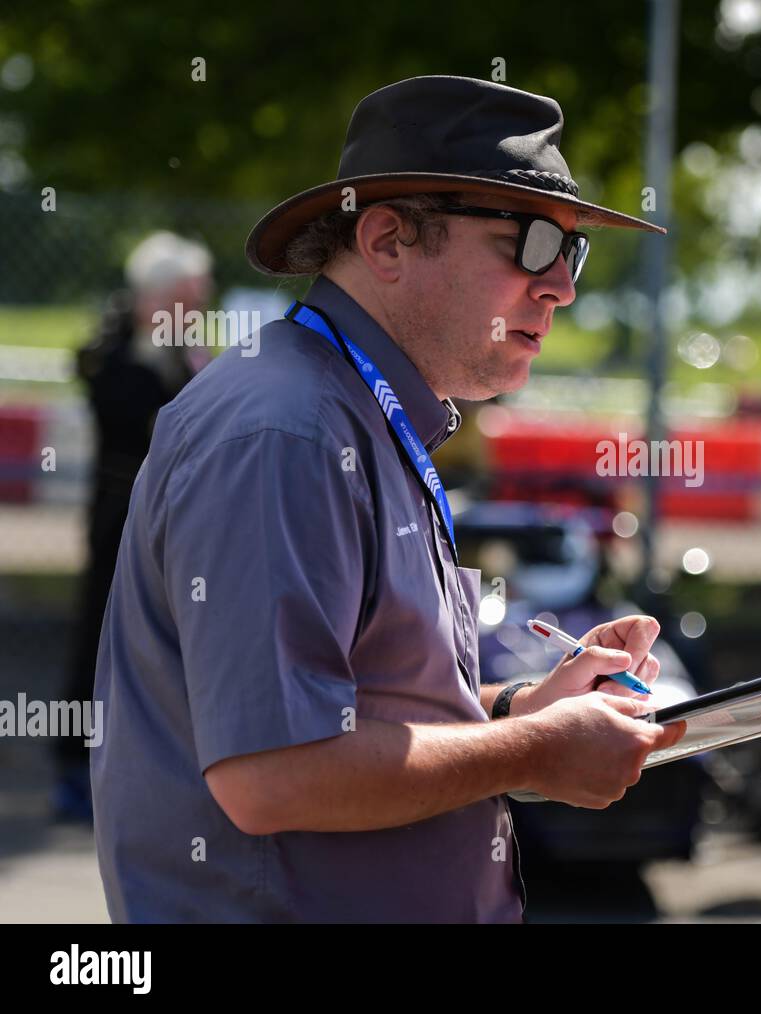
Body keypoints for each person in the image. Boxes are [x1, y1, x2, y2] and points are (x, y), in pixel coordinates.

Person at [91, 75, 685, 923]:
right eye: (528, 245)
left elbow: (369, 709)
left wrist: (525, 707)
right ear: (386, 242)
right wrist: (532, 751)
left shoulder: (346, 411)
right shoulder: (286, 433)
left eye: (571, 251)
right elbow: (274, 773)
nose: (561, 286)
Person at [56, 232, 213, 821]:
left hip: (176, 527)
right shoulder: (117, 355)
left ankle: (148, 768)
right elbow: (135, 423)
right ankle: (73, 769)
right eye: (186, 298)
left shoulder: (184, 353)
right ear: (153, 299)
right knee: (99, 637)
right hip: (118, 520)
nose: (196, 311)